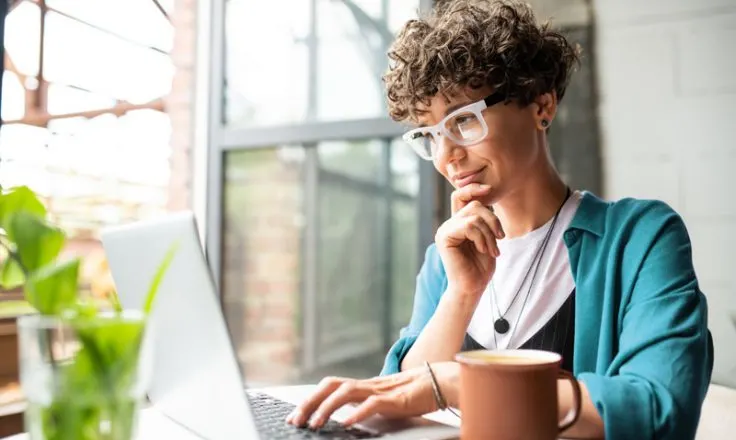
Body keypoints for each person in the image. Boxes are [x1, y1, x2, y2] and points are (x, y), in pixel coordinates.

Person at [286, 1, 714, 438]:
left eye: (464, 121)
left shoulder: (639, 238)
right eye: (429, 135)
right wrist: (461, 294)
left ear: (541, 106)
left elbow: (659, 408)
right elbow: (398, 400)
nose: (447, 156)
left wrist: (460, 384)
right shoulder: (445, 260)